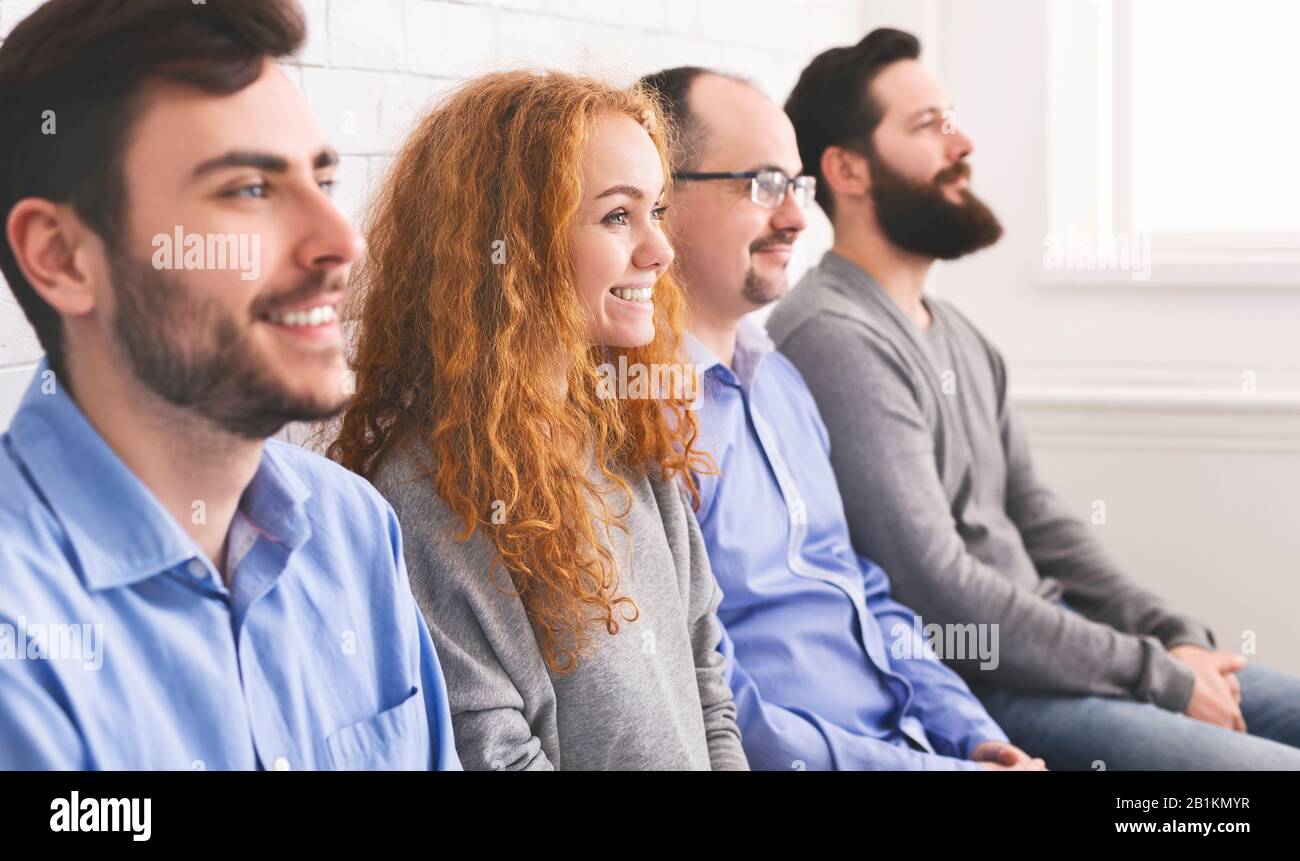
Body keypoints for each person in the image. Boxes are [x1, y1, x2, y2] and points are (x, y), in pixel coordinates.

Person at [769, 27, 1300, 769]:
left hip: (1066, 646)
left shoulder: (958, 334)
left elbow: (1040, 519)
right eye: (928, 126)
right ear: (847, 170)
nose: (963, 145)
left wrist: (1172, 633)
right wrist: (1160, 676)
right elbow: (940, 590)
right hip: (986, 684)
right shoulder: (835, 337)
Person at [0, 0, 458, 770]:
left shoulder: (354, 530)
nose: (343, 242)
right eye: (250, 189)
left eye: (324, 177)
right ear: (64, 257)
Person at [327, 70, 747, 771]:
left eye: (658, 211)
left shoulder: (626, 438)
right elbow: (497, 754)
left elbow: (709, 681)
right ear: (515, 244)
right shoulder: (427, 495)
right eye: (619, 216)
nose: (661, 251)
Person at [640, 66, 1043, 771]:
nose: (798, 216)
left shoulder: (783, 383)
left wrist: (971, 732)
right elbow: (716, 703)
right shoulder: (639, 416)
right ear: (660, 199)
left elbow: (862, 588)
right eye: (763, 184)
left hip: (918, 743)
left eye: (797, 186)